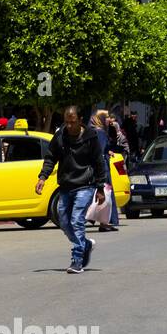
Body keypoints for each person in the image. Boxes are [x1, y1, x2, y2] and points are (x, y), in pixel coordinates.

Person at [36, 106, 108, 275]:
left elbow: (98, 162)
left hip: (85, 184)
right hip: (66, 185)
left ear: (80, 120)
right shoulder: (60, 136)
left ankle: (77, 260)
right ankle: (86, 244)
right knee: (63, 221)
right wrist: (42, 177)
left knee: (76, 220)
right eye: (66, 122)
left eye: (72, 122)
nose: (69, 126)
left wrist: (100, 188)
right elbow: (51, 157)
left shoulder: (91, 136)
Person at [88, 110, 121, 232]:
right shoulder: (100, 132)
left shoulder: (91, 130)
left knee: (101, 196)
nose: (109, 119)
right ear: (100, 118)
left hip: (95, 166)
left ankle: (105, 223)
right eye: (106, 117)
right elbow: (99, 151)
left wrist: (108, 151)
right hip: (102, 167)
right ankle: (106, 222)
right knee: (106, 195)